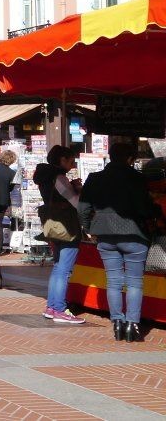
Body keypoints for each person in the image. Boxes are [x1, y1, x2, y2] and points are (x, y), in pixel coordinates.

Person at [78, 143, 160, 342]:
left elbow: (83, 208)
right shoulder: (137, 178)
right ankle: (132, 324)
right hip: (134, 234)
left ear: (110, 156)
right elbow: (145, 208)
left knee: (113, 281)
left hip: (104, 234)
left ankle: (117, 322)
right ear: (130, 159)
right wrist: (156, 212)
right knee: (134, 282)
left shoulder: (95, 178)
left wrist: (89, 228)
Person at [35, 145, 84, 324]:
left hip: (52, 225)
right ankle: (60, 309)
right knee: (64, 269)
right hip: (67, 226)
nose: (72, 165)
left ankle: (52, 307)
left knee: (58, 267)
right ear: (62, 160)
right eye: (71, 161)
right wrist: (78, 189)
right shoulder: (59, 177)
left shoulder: (45, 177)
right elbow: (75, 202)